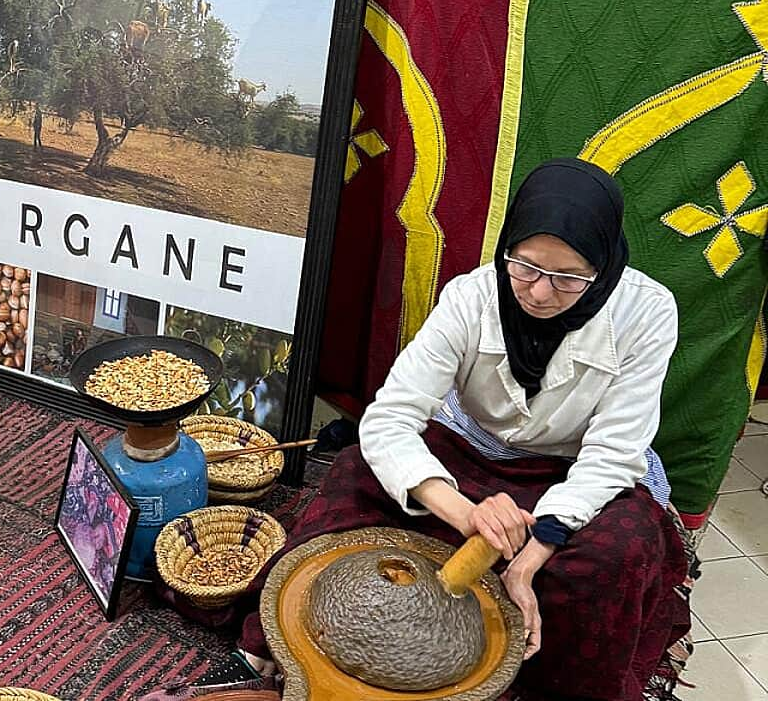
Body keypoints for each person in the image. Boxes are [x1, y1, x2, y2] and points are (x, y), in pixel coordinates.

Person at [238, 158, 690, 701]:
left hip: (571, 468)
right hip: (471, 450)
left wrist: (526, 559)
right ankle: (283, 639)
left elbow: (612, 453)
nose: (540, 293)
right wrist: (467, 514)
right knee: (356, 471)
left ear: (604, 266)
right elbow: (391, 417)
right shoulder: (471, 296)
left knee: (621, 552)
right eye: (524, 267)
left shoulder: (648, 311)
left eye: (568, 277)